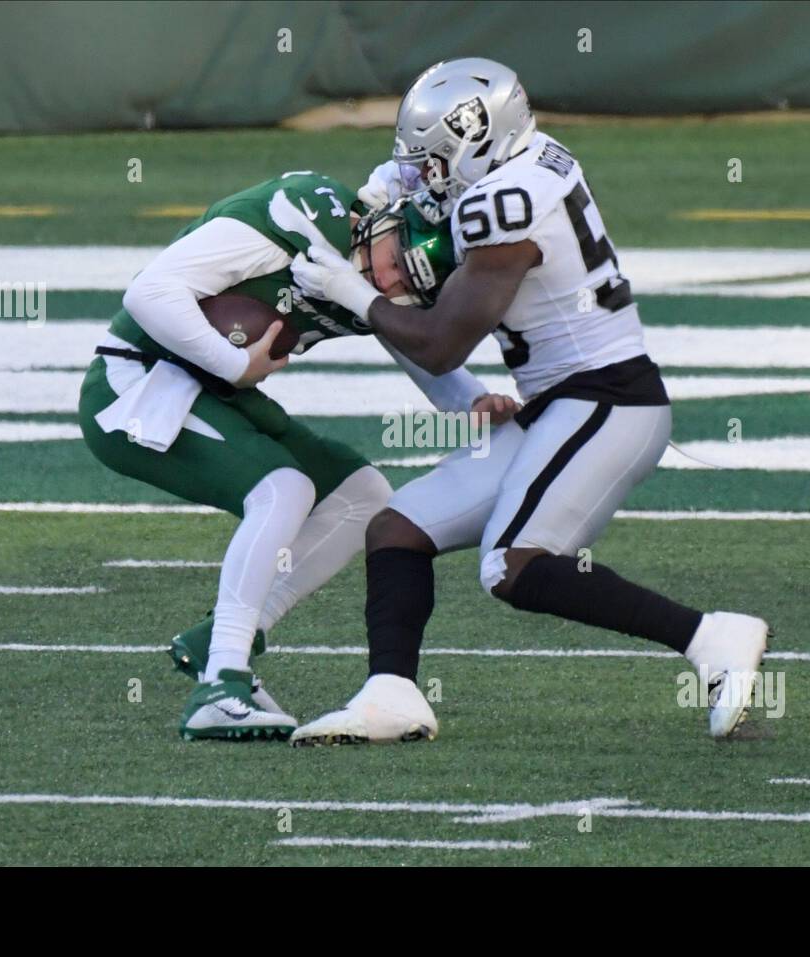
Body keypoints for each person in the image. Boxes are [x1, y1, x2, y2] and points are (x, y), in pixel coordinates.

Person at [289, 59, 770, 746]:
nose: (424, 174)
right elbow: (416, 188)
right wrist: (391, 183)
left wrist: (353, 293)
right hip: (560, 398)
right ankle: (392, 695)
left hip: (607, 399)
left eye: (433, 160)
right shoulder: (526, 158)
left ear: (477, 141)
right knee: (398, 529)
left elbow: (439, 345)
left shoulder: (502, 204)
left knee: (512, 563)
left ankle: (712, 636)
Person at [77, 170, 517, 741]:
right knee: (284, 489)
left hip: (217, 391)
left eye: (405, 285)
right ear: (381, 222)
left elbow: (423, 361)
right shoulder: (293, 217)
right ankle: (222, 685)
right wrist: (235, 364)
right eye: (392, 257)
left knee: (363, 497)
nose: (384, 280)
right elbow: (149, 292)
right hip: (138, 383)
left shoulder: (373, 282)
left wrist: (474, 401)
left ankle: (224, 642)